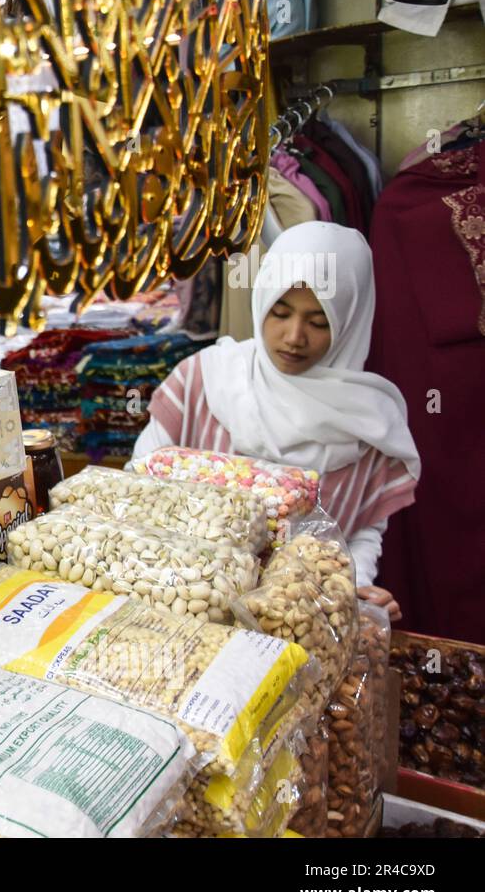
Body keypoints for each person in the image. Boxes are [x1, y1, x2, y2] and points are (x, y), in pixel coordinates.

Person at [131, 222, 420, 619]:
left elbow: (361, 531)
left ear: (351, 321)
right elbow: (138, 486)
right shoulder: (205, 382)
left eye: (319, 322)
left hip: (298, 624)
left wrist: (355, 588)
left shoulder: (370, 422)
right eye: (279, 313)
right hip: (179, 609)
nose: (294, 337)